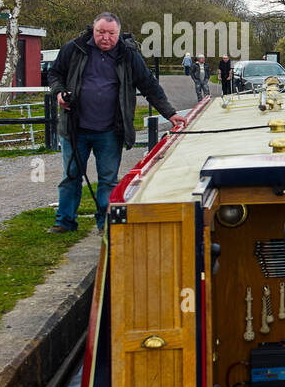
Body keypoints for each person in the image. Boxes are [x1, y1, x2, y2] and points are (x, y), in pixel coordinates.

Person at [46, 12, 188, 234]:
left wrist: (170, 113)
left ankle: (106, 222)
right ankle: (64, 221)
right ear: (93, 30)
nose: (105, 37)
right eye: (100, 32)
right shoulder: (74, 49)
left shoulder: (128, 55)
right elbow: (55, 74)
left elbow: (149, 85)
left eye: (111, 33)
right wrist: (58, 93)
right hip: (75, 129)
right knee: (71, 176)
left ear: (118, 33)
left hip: (111, 131)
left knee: (108, 180)